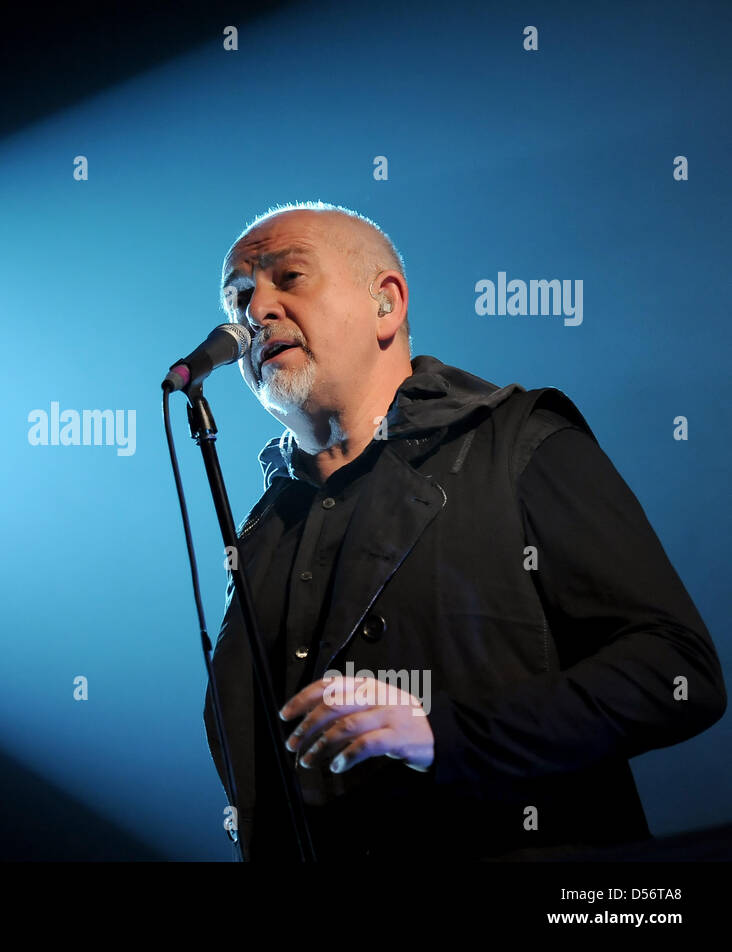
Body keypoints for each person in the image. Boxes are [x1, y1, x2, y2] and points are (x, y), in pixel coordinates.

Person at [203, 201, 726, 861]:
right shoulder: (260, 530)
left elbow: (677, 672)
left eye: (290, 278)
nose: (256, 311)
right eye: (240, 295)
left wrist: (441, 733)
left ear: (385, 304)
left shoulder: (518, 443)